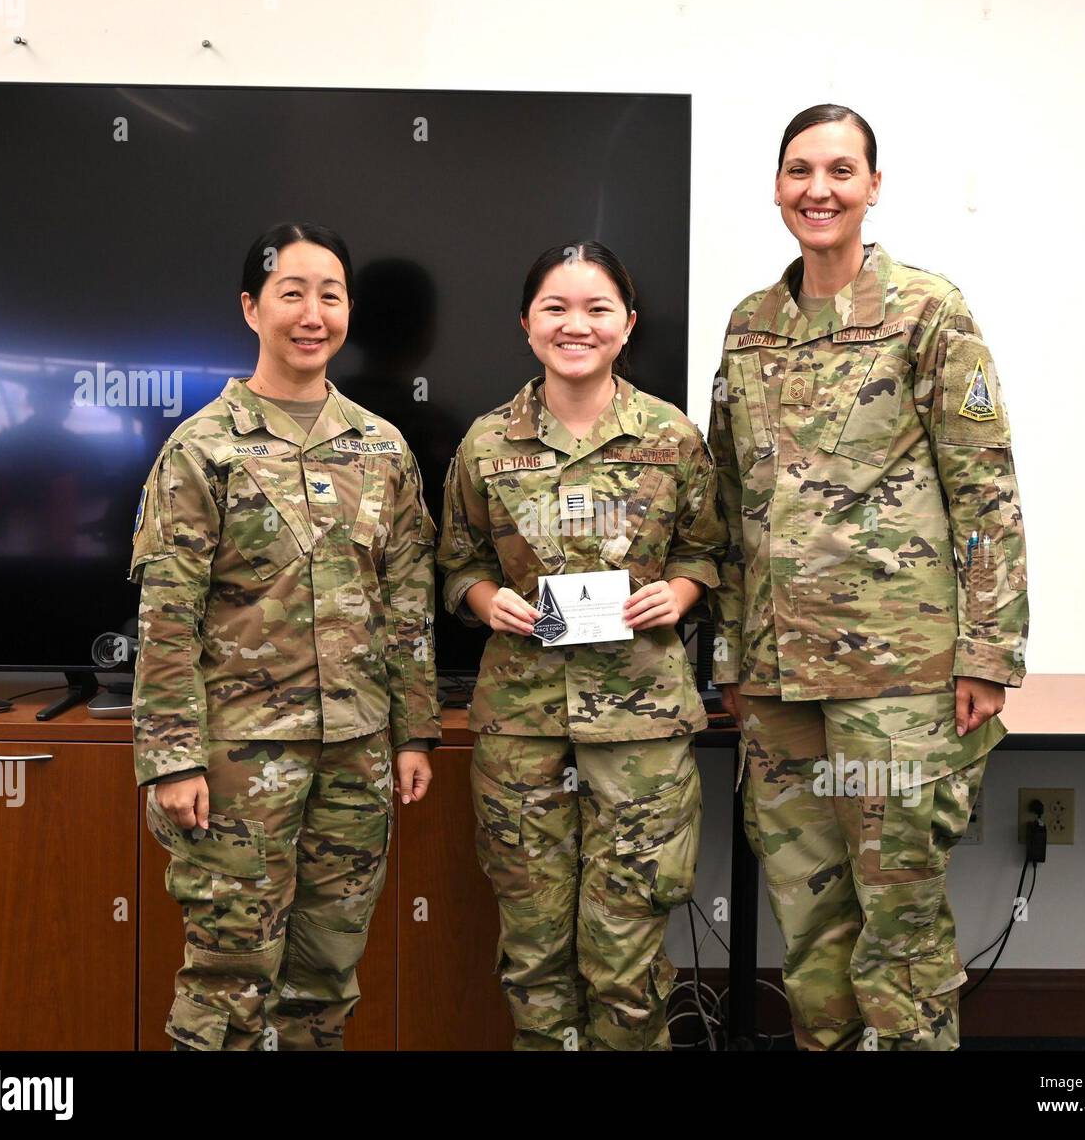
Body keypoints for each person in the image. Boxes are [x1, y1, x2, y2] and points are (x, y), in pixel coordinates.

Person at [708, 104, 1029, 1051]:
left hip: (899, 678)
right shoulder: (749, 326)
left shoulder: (928, 310)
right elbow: (725, 502)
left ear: (873, 187)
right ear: (776, 186)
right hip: (775, 681)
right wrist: (728, 651)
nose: (819, 189)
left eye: (841, 171)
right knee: (808, 921)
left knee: (898, 917)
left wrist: (989, 653)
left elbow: (986, 490)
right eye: (800, 170)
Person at [129, 221, 440, 1051]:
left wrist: (414, 734)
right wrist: (173, 758)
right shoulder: (201, 448)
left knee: (326, 983)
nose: (313, 312)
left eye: (330, 294)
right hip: (236, 764)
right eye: (291, 292)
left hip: (357, 754)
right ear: (251, 307)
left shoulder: (382, 445)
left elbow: (407, 604)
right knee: (229, 982)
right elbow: (167, 618)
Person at [437, 241, 727, 1050]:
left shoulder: (671, 437)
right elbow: (454, 562)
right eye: (555, 308)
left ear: (627, 325)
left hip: (639, 733)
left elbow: (710, 549)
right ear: (526, 325)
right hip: (522, 731)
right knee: (532, 955)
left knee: (625, 959)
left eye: (597, 308)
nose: (576, 325)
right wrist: (488, 600)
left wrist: (682, 590)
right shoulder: (486, 443)